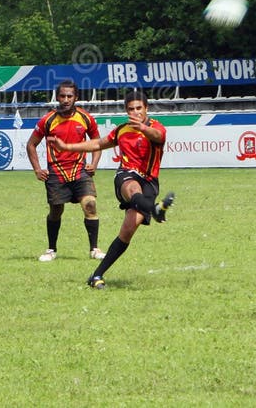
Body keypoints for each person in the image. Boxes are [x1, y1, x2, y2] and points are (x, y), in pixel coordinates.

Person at [50, 90, 174, 289]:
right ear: (126, 111)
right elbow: (98, 143)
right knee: (133, 189)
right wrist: (67, 147)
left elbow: (158, 136)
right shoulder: (122, 130)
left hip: (150, 182)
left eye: (139, 108)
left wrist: (142, 128)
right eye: (131, 109)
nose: (135, 112)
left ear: (146, 109)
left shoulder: (155, 127)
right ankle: (155, 210)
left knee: (127, 231)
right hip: (126, 175)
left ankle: (96, 275)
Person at [26, 79, 105, 261]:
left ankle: (94, 249)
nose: (66, 99)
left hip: (80, 171)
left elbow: (97, 143)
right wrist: (38, 169)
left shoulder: (85, 118)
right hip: (56, 174)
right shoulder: (48, 120)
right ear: (58, 97)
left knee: (90, 205)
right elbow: (31, 144)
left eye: (70, 96)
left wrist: (94, 163)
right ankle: (51, 249)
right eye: (62, 96)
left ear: (76, 97)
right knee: (56, 212)